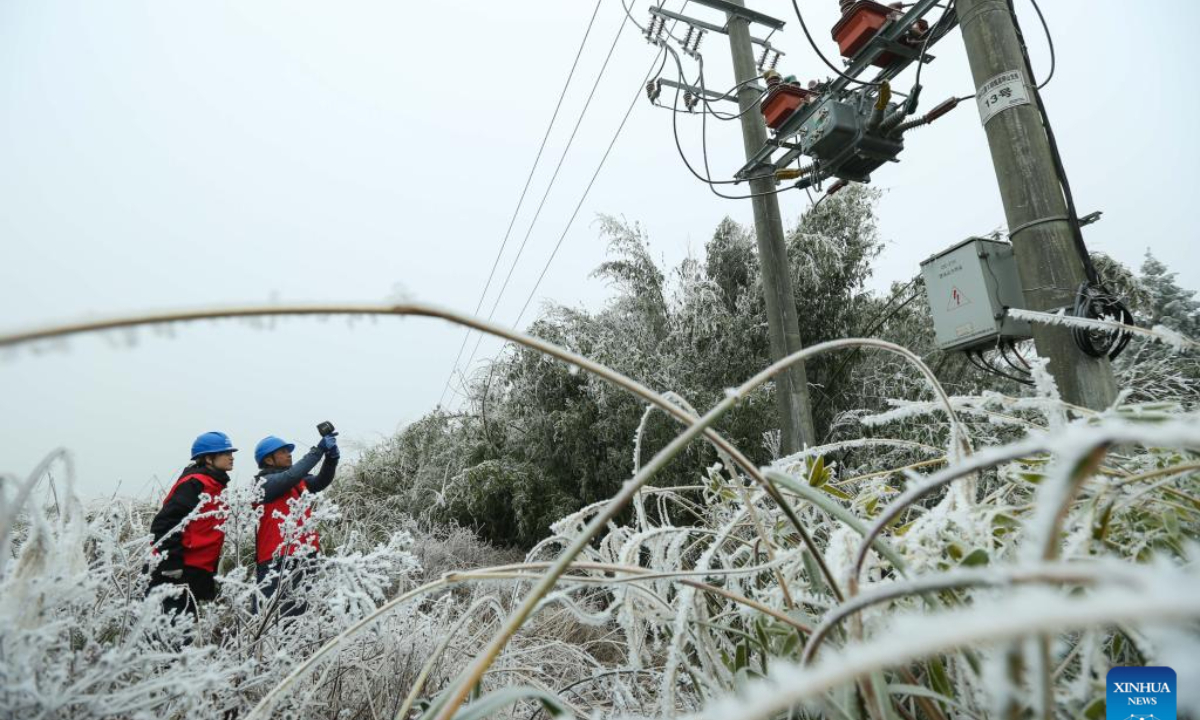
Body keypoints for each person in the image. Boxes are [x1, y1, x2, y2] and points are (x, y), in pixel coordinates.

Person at [147, 431, 237, 627]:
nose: (231, 457)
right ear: (208, 458)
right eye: (225, 453)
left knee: (182, 635)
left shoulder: (215, 485)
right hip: (177, 571)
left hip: (194, 571)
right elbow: (164, 523)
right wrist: (172, 565)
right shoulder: (194, 483)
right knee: (171, 636)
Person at [252, 430, 339, 617]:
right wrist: (318, 450)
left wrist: (331, 459)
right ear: (268, 460)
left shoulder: (295, 481)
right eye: (282, 451)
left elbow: (320, 481)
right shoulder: (262, 483)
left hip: (306, 556)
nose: (288, 454)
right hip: (276, 561)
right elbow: (290, 477)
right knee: (269, 616)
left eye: (288, 450)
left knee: (300, 616)